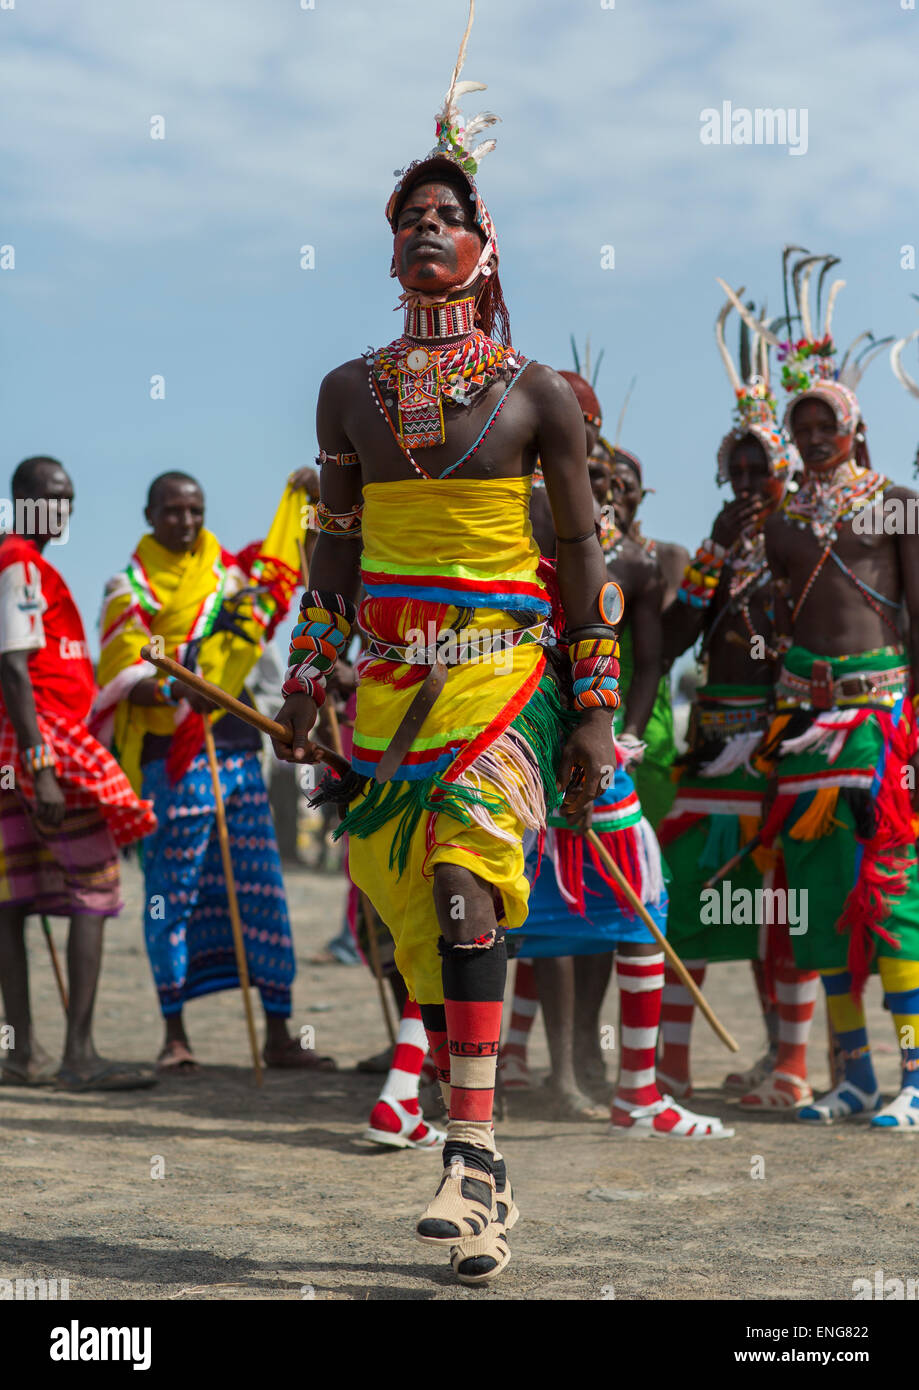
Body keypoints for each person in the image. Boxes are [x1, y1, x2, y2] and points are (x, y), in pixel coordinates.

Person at [272, 5, 619, 1284]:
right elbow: (336, 551)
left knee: (475, 884)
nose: (425, 225)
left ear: (483, 245)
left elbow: (579, 559)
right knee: (408, 916)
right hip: (383, 686)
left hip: (501, 672)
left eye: (446, 212)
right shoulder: (347, 389)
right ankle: (478, 1136)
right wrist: (314, 679)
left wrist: (591, 707)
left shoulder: (538, 396)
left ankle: (467, 1157)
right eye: (408, 213)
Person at [725, 264, 919, 1128]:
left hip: (879, 724)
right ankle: (852, 1077)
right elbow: (751, 610)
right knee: (820, 900)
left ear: (853, 428)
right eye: (799, 426)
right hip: (803, 727)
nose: (809, 436)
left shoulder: (897, 508)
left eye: (822, 423)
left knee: (891, 895)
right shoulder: (781, 523)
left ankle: (913, 1079)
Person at [513, 380, 732, 1138]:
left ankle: (605, 1070)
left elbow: (646, 662)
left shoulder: (635, 560)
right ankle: (547, 1069)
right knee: (540, 909)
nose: (602, 482)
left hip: (603, 742)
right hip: (517, 730)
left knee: (614, 901)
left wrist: (618, 737)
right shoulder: (512, 517)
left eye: (611, 474)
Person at [93, 469, 335, 1074]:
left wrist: (305, 502)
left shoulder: (231, 579)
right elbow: (120, 678)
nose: (187, 521)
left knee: (260, 892)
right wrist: (177, 694)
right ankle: (174, 1034)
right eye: (173, 511)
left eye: (196, 510)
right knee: (169, 899)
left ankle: (278, 1032)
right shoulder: (126, 590)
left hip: (235, 761)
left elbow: (280, 582)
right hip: (169, 765)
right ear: (150, 516)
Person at [657, 288, 819, 1110]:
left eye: (763, 465)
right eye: (740, 464)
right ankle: (669, 1072)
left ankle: (787, 1068)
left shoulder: (805, 541)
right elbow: (677, 634)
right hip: (711, 748)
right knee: (692, 903)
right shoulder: (714, 542)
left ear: (785, 470)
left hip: (783, 748)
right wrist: (715, 552)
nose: (750, 476)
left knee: (779, 908)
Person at [0, 456, 157, 1090]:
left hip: (31, 739)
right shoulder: (19, 562)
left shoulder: (28, 563)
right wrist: (39, 764)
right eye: (48, 498)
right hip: (45, 745)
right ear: (22, 499)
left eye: (67, 499)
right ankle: (78, 1056)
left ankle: (23, 1054)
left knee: (10, 899)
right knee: (93, 889)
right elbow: (13, 665)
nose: (60, 510)